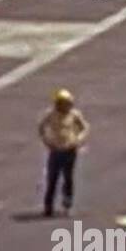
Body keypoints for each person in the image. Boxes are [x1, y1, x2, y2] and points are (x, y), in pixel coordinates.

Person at [37, 88, 89, 217]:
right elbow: (41, 127)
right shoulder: (51, 114)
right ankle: (48, 206)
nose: (65, 106)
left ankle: (67, 203)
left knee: (68, 177)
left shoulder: (74, 115)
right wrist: (46, 141)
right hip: (55, 150)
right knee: (52, 179)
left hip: (69, 150)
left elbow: (84, 127)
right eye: (62, 103)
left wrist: (78, 139)